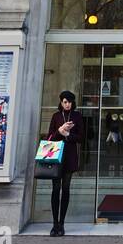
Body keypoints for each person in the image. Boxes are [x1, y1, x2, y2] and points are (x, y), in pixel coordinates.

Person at [45, 90, 83, 236]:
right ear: (61, 102)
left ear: (73, 103)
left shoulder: (77, 116)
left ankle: (62, 223)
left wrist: (68, 135)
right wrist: (59, 131)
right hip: (56, 156)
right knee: (55, 189)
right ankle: (54, 224)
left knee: (65, 189)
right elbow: (49, 137)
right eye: (65, 102)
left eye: (70, 102)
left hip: (70, 157)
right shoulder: (56, 116)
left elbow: (81, 137)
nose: (67, 104)